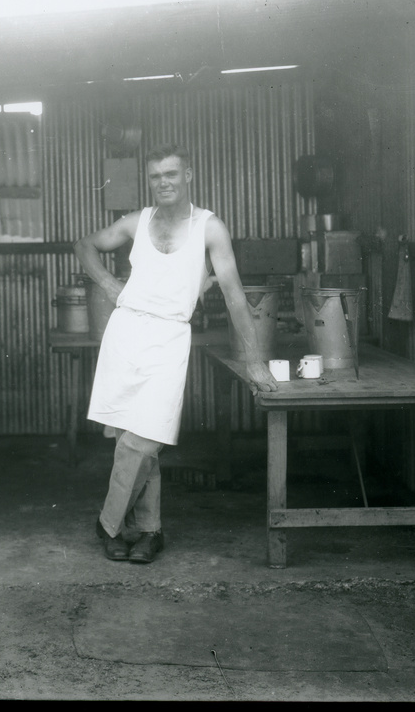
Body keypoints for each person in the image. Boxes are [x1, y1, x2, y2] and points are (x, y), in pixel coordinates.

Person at [73, 143, 278, 564]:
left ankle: (108, 522)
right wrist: (110, 286)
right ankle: (149, 532)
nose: (162, 182)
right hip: (126, 333)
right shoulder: (136, 221)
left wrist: (254, 359)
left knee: (145, 439)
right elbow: (84, 246)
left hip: (169, 337)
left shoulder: (210, 227)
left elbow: (235, 295)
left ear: (188, 175)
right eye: (155, 176)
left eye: (170, 174)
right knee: (131, 439)